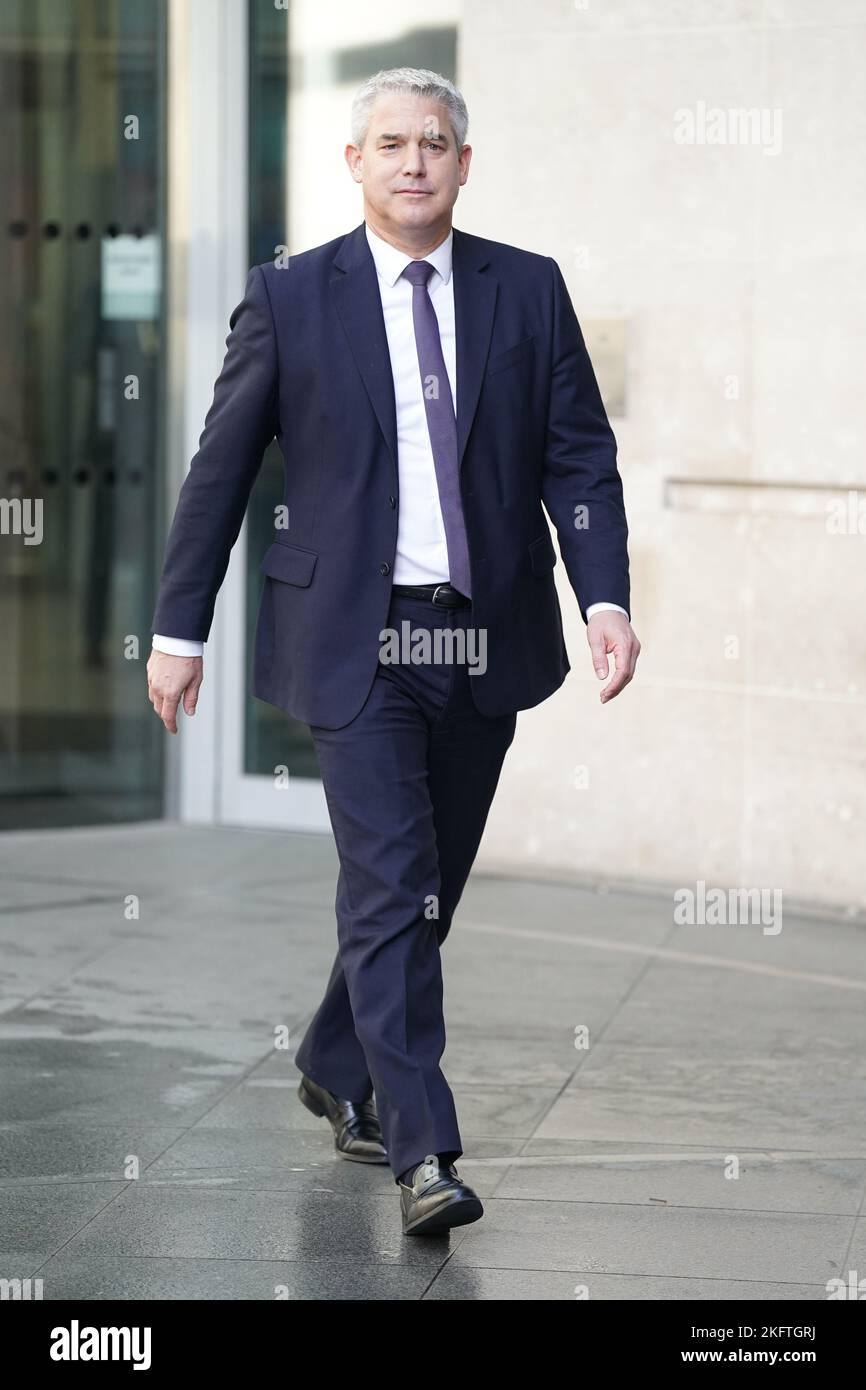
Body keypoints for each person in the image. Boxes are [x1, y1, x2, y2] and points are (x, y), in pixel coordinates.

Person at [147, 66, 640, 1236]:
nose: (412, 161)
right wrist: (177, 629)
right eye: (389, 143)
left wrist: (603, 598)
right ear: (354, 164)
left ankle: (331, 1051)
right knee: (388, 885)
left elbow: (577, 458)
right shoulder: (290, 297)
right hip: (354, 640)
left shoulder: (525, 290)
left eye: (433, 143)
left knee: (423, 890)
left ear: (463, 164)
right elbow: (219, 475)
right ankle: (425, 1150)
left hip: (482, 631)